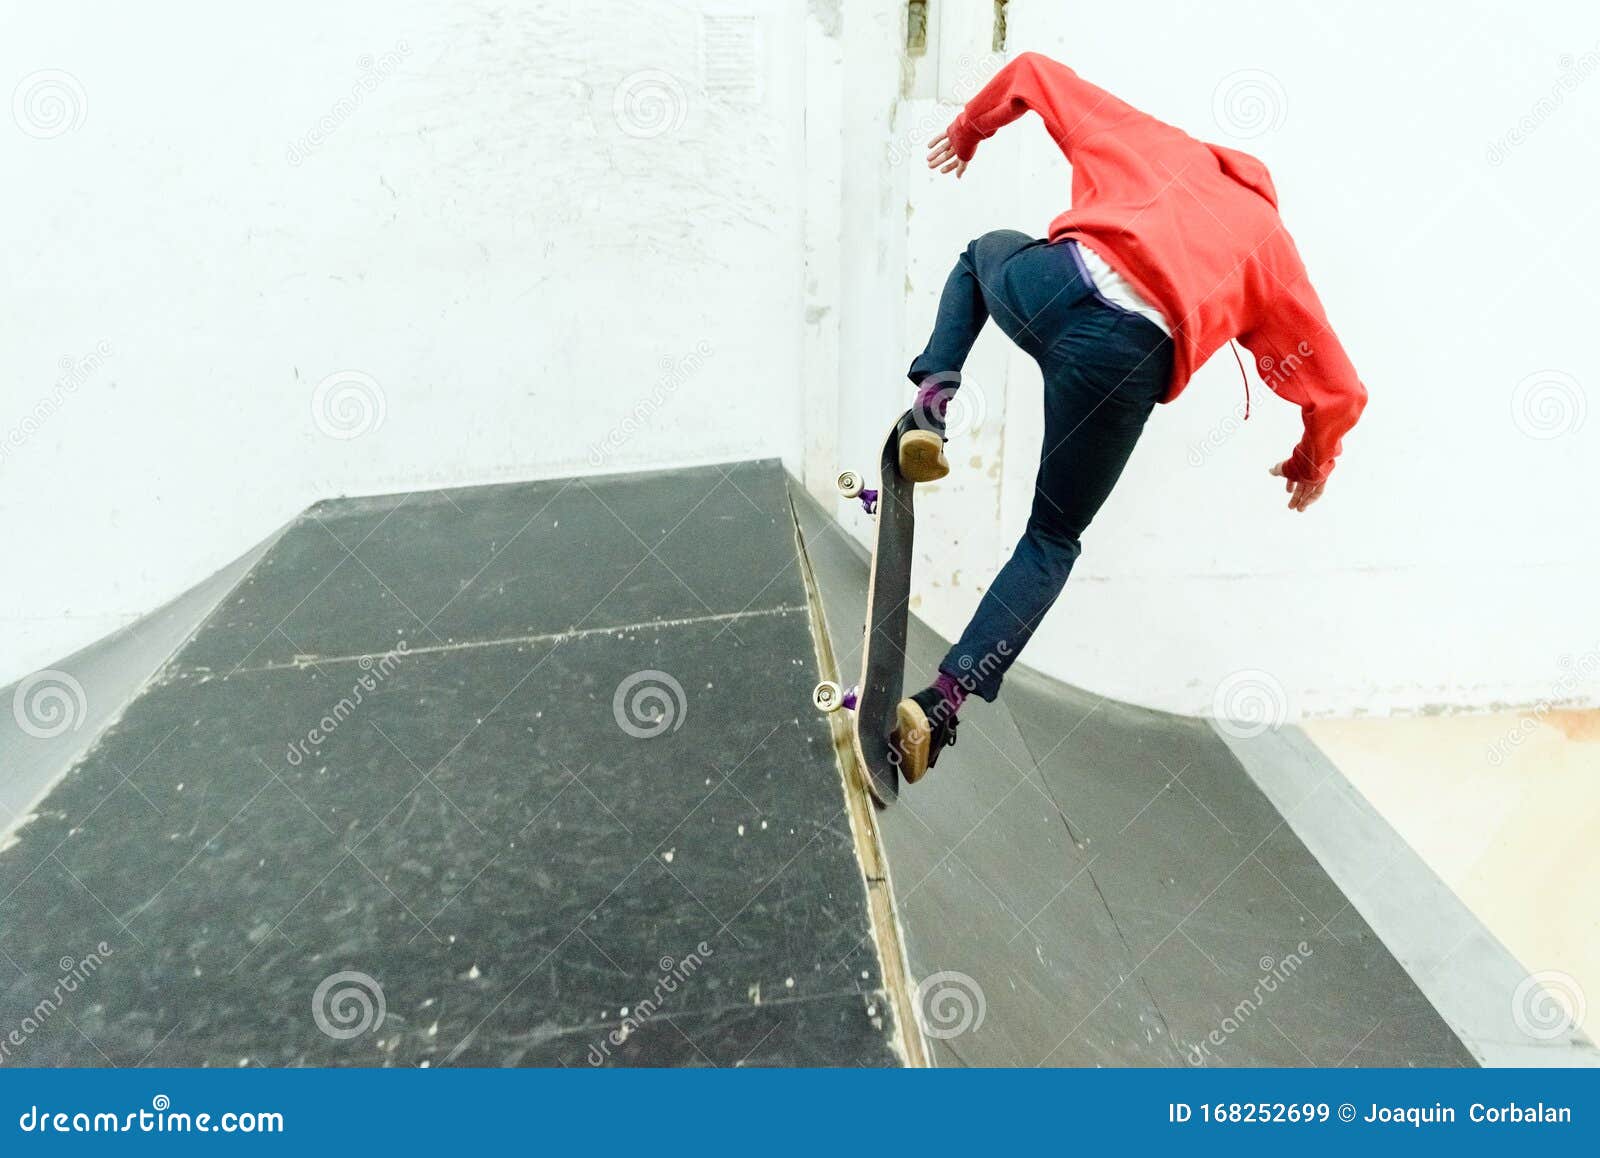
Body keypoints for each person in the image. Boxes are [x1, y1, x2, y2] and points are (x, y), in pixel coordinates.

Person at [891, 51, 1367, 781]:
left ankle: (931, 408)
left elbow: (1032, 73)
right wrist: (1312, 462)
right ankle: (942, 702)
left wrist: (967, 131)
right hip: (1124, 365)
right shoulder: (1271, 246)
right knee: (1051, 539)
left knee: (978, 258)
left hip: (1055, 283)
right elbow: (1339, 390)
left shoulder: (1157, 141)